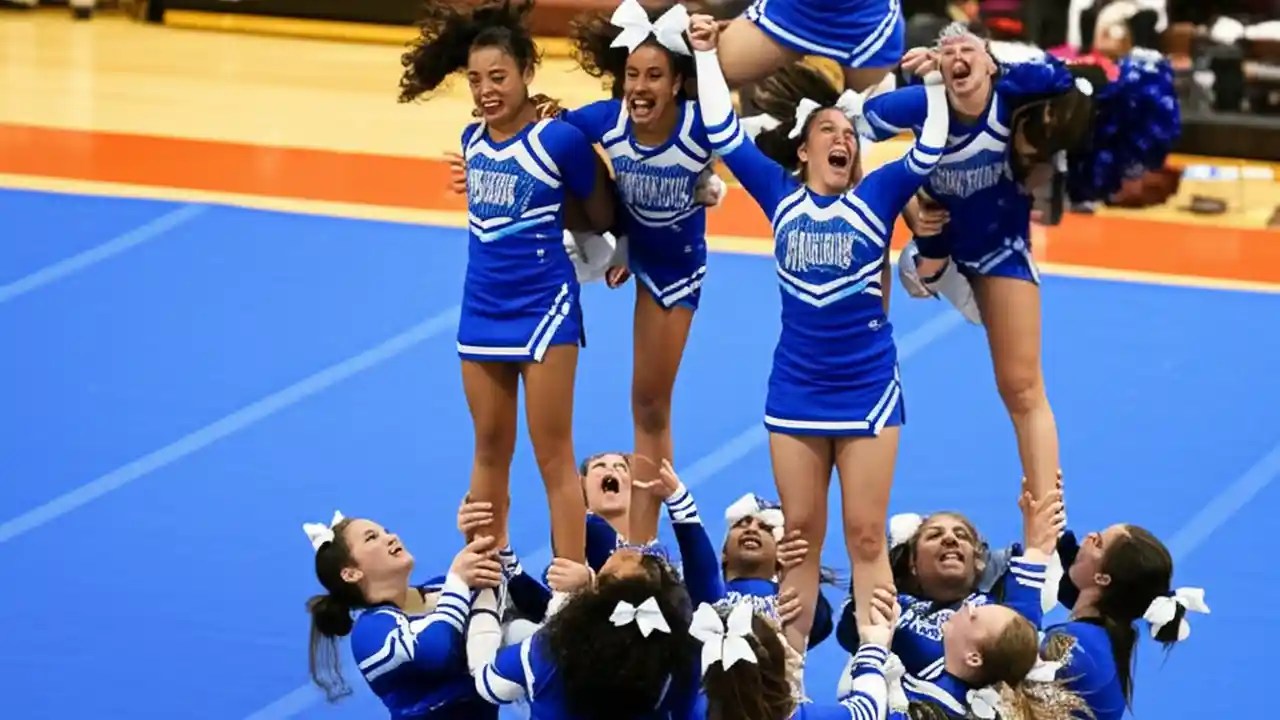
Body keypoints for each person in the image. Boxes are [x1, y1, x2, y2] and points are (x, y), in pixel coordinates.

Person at [688, 12, 949, 664]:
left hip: (866, 392)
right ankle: (791, 672)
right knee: (799, 535)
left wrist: (938, 85)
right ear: (802, 150)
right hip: (797, 391)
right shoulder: (777, 193)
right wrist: (703, 58)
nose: (843, 140)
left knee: (865, 536)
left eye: (849, 134)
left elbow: (932, 146)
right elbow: (721, 127)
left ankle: (876, 669)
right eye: (826, 131)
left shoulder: (880, 192)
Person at [398, 0, 615, 577]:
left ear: (525, 74)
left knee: (553, 455)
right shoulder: (471, 142)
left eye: (498, 77)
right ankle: (487, 581)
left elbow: (599, 212)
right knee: (489, 449)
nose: (486, 90)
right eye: (475, 79)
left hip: (544, 309)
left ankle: (569, 586)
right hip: (482, 309)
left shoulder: (559, 140)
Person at [859, 24, 1095, 506]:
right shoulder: (925, 106)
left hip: (999, 252)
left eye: (969, 50)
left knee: (1022, 385)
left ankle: (1047, 516)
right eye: (948, 54)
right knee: (918, 273)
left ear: (990, 64)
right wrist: (908, 210)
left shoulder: (1011, 92)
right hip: (936, 252)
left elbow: (1073, 79)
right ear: (940, 70)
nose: (957, 57)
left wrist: (1008, 65)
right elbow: (858, 123)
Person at [303, 511, 503, 718]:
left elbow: (526, 603)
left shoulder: (442, 588)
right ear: (351, 573)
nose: (391, 537)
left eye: (386, 532)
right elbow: (439, 652)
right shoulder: (370, 631)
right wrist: (458, 582)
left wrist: (481, 537)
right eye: (372, 537)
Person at [469, 548, 701, 718]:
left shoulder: (546, 651)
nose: (631, 550)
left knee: (514, 630)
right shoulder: (678, 659)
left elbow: (488, 684)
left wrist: (484, 599)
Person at [1041, 525, 1208, 720]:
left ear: (1102, 578)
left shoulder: (1072, 644)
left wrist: (1030, 566)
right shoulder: (1102, 638)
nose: (1089, 535)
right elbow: (1070, 567)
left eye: (1098, 543)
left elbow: (1007, 648)